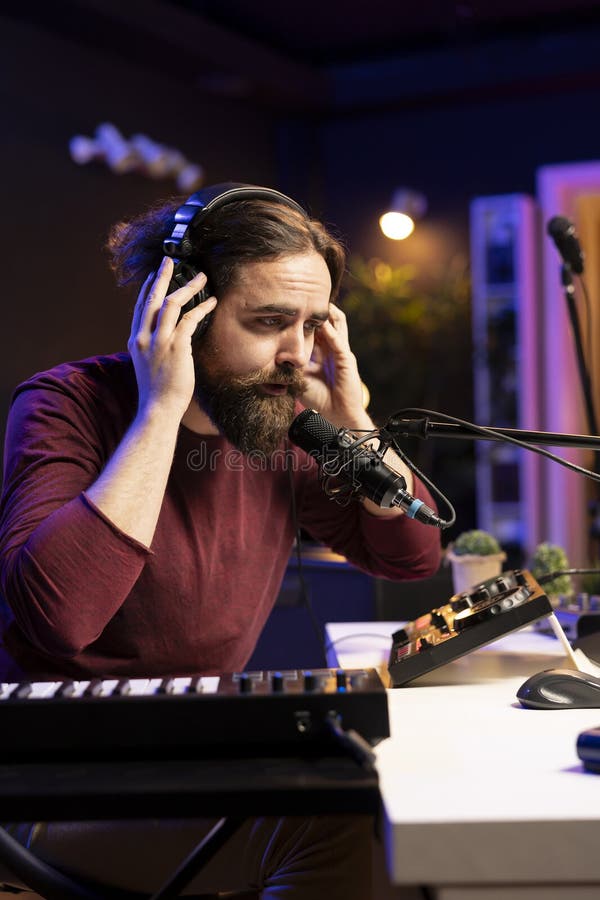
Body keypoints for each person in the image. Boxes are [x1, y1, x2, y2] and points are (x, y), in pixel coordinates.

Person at [0, 184, 441, 899]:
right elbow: (61, 616)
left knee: (377, 790)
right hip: (49, 782)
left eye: (313, 324)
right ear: (179, 310)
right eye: (270, 322)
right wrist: (160, 412)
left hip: (190, 756)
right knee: (335, 825)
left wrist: (355, 417)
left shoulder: (276, 427)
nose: (297, 354)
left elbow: (409, 555)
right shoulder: (66, 406)